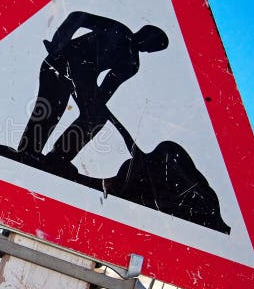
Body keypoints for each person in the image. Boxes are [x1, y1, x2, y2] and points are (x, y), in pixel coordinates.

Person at [18, 11, 168, 176]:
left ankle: (58, 157)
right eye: (153, 43)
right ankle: (28, 151)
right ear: (146, 33)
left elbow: (106, 90)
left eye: (155, 48)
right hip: (60, 63)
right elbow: (78, 16)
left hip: (83, 81)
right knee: (52, 106)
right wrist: (58, 43)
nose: (150, 48)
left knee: (96, 117)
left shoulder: (132, 64)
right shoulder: (119, 30)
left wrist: (97, 104)